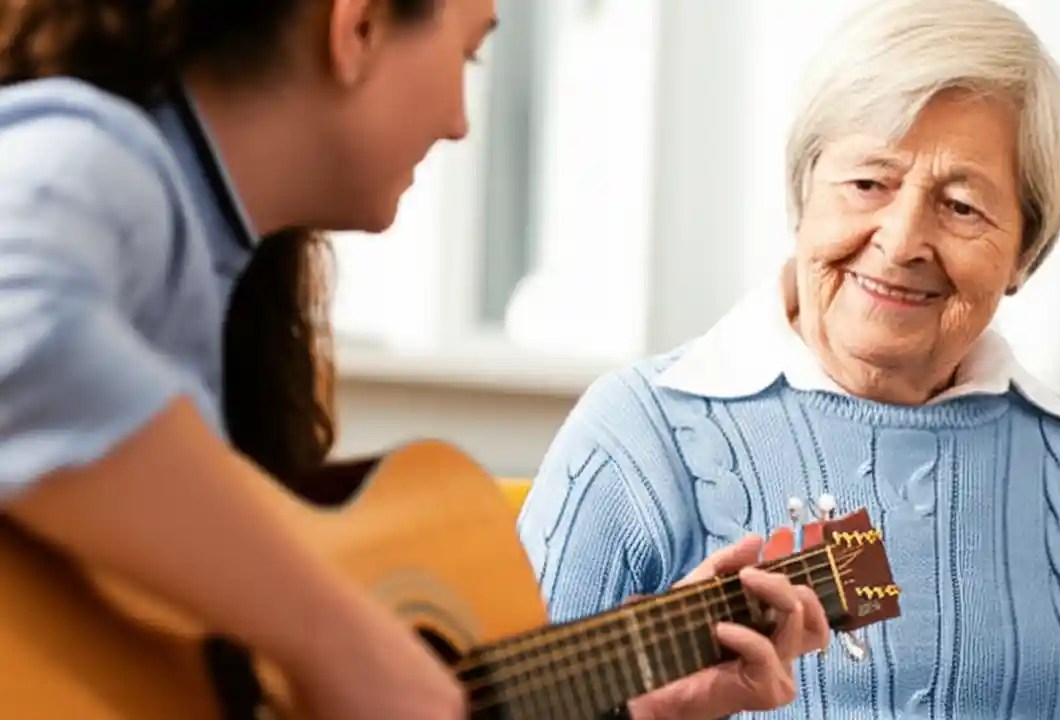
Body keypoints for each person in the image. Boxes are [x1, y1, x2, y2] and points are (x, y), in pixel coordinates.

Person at [0, 1, 828, 718]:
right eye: (467, 53)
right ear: (357, 26)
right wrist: (340, 640)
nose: (461, 121)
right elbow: (20, 330)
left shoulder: (220, 269)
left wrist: (632, 706)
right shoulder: (98, 153)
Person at [517, 0, 1060, 717]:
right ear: (804, 191)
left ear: (1025, 252)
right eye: (868, 183)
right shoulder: (637, 439)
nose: (900, 241)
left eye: (960, 206)